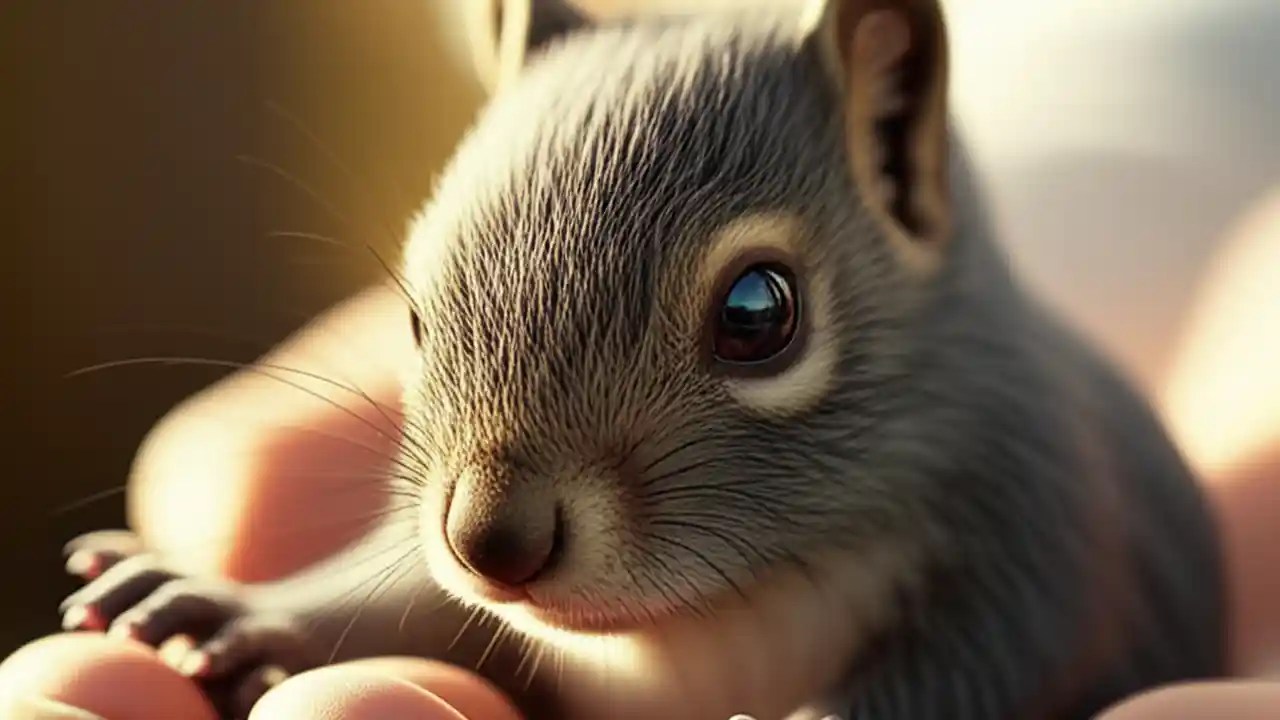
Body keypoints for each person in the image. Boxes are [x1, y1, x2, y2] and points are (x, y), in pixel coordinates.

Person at [3, 0, 1278, 715]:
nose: (485, 529)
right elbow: (441, 593)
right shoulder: (488, 511)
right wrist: (273, 618)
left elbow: (1007, 655)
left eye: (750, 323)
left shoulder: (1011, 481)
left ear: (890, 153)